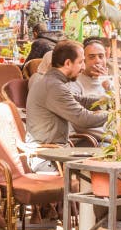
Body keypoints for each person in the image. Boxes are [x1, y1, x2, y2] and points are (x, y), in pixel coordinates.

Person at [25, 40, 108, 172]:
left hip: (58, 153)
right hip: (47, 159)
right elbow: (83, 119)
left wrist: (111, 102)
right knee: (102, 169)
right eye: (81, 62)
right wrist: (116, 114)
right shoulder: (54, 86)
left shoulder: (54, 82)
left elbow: (82, 101)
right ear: (68, 63)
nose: (83, 67)